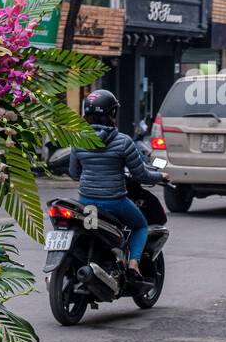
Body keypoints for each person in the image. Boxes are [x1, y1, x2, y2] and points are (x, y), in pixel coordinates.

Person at [68, 89, 168, 288]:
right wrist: (161, 176)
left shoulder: (78, 140)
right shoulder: (123, 142)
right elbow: (141, 175)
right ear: (113, 113)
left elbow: (74, 172)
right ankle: (133, 263)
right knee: (140, 226)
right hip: (115, 202)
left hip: (86, 202)